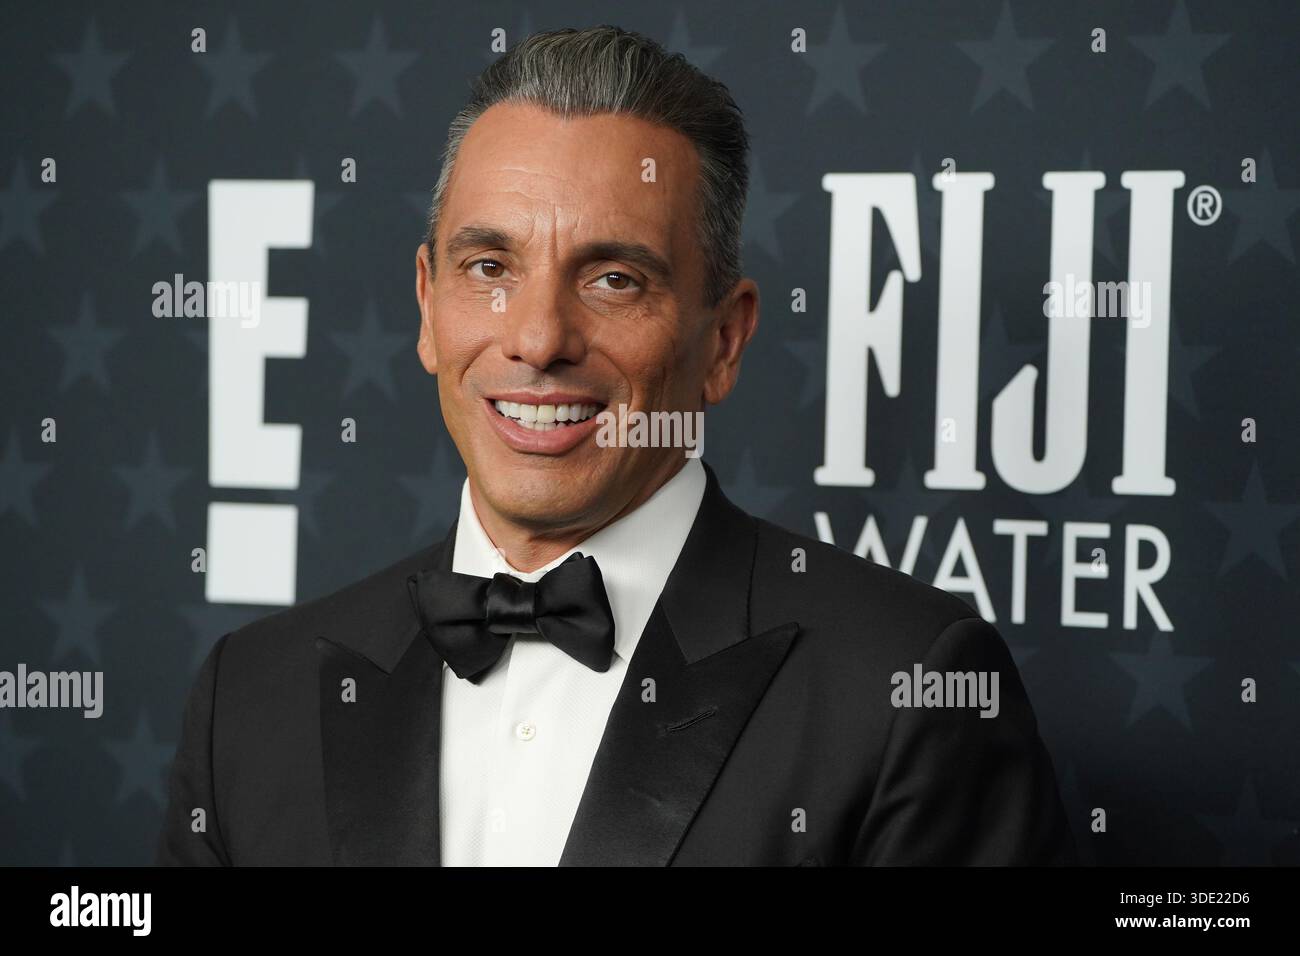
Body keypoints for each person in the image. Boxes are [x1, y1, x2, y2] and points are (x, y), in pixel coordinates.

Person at [156, 25, 1075, 866]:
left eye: (613, 278)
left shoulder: (907, 691)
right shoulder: (250, 697)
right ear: (429, 305)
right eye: (491, 268)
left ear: (724, 341)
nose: (539, 337)